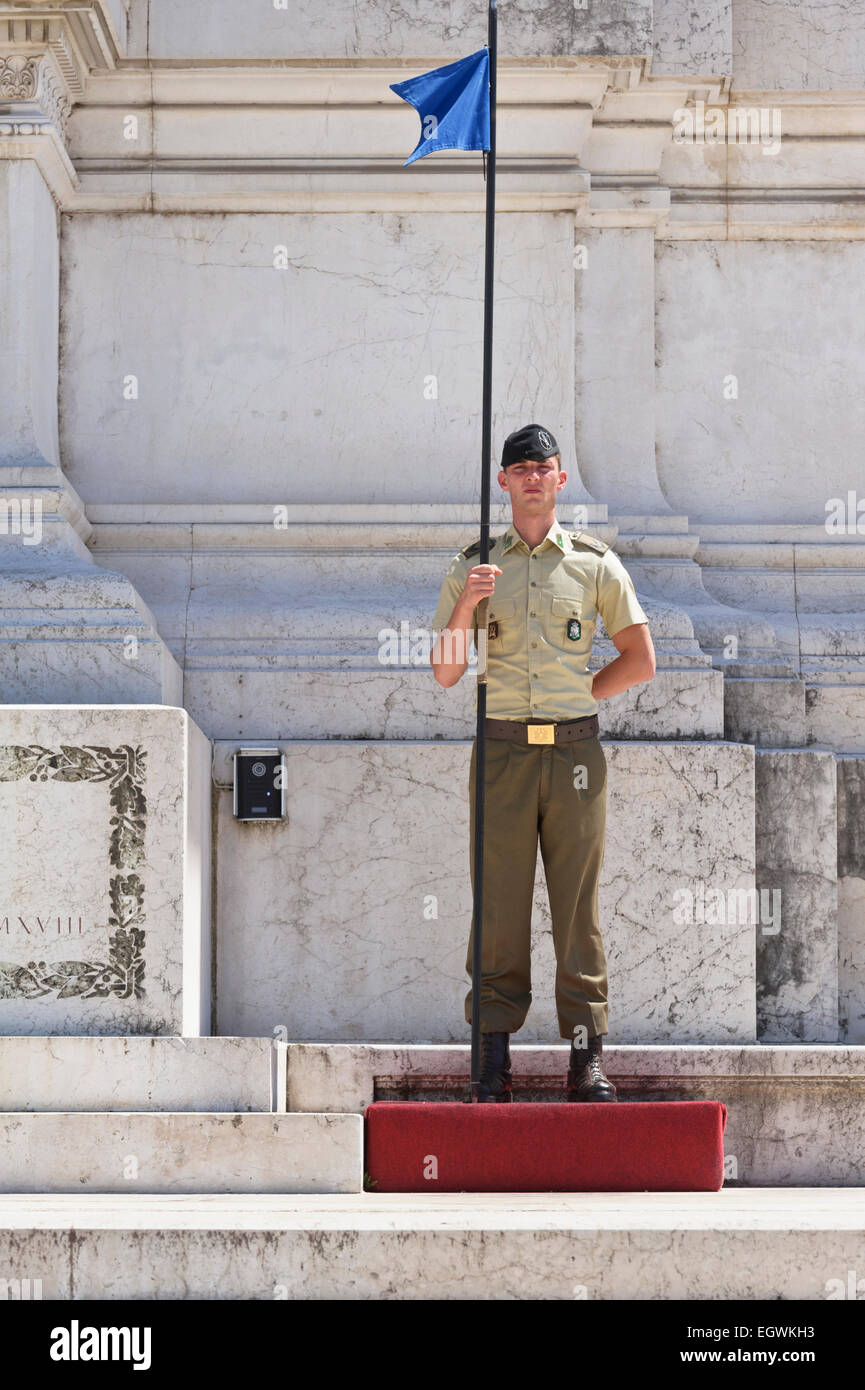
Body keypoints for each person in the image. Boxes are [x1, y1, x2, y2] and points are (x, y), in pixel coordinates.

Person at [430, 423, 656, 1102]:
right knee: (495, 905)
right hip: (499, 748)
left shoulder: (592, 563)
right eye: (519, 468)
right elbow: (444, 674)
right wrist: (469, 601)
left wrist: (580, 693)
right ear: (502, 481)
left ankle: (585, 1057)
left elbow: (640, 659)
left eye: (543, 468)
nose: (532, 477)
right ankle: (490, 1058)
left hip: (573, 753)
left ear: (560, 481)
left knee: (575, 907)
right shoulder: (472, 564)